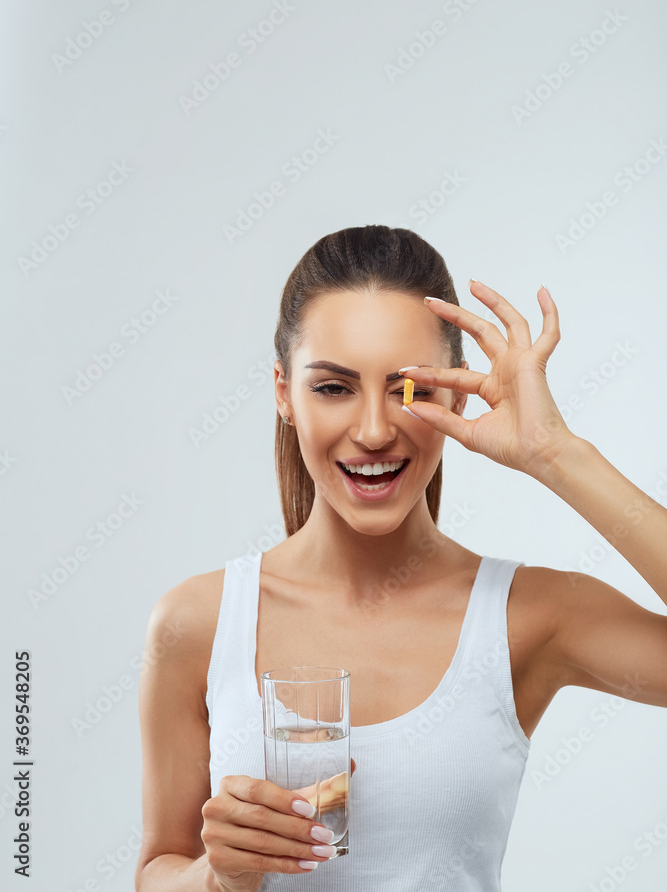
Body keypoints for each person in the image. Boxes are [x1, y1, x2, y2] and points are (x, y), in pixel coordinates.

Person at [134, 225, 667, 891]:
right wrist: (218, 877)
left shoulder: (529, 616)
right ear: (282, 395)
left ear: (454, 394)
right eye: (333, 387)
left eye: (408, 389)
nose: (374, 431)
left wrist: (554, 454)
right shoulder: (197, 622)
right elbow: (159, 868)